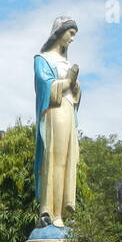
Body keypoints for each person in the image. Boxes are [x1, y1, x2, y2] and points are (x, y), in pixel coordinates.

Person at [33, 16, 81, 226]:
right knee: (55, 160)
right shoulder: (43, 59)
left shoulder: (66, 62)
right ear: (60, 31)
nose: (72, 39)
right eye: (70, 33)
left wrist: (75, 85)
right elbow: (45, 85)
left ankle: (64, 210)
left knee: (69, 160)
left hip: (69, 110)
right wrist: (67, 81)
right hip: (55, 110)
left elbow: (74, 92)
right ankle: (51, 213)